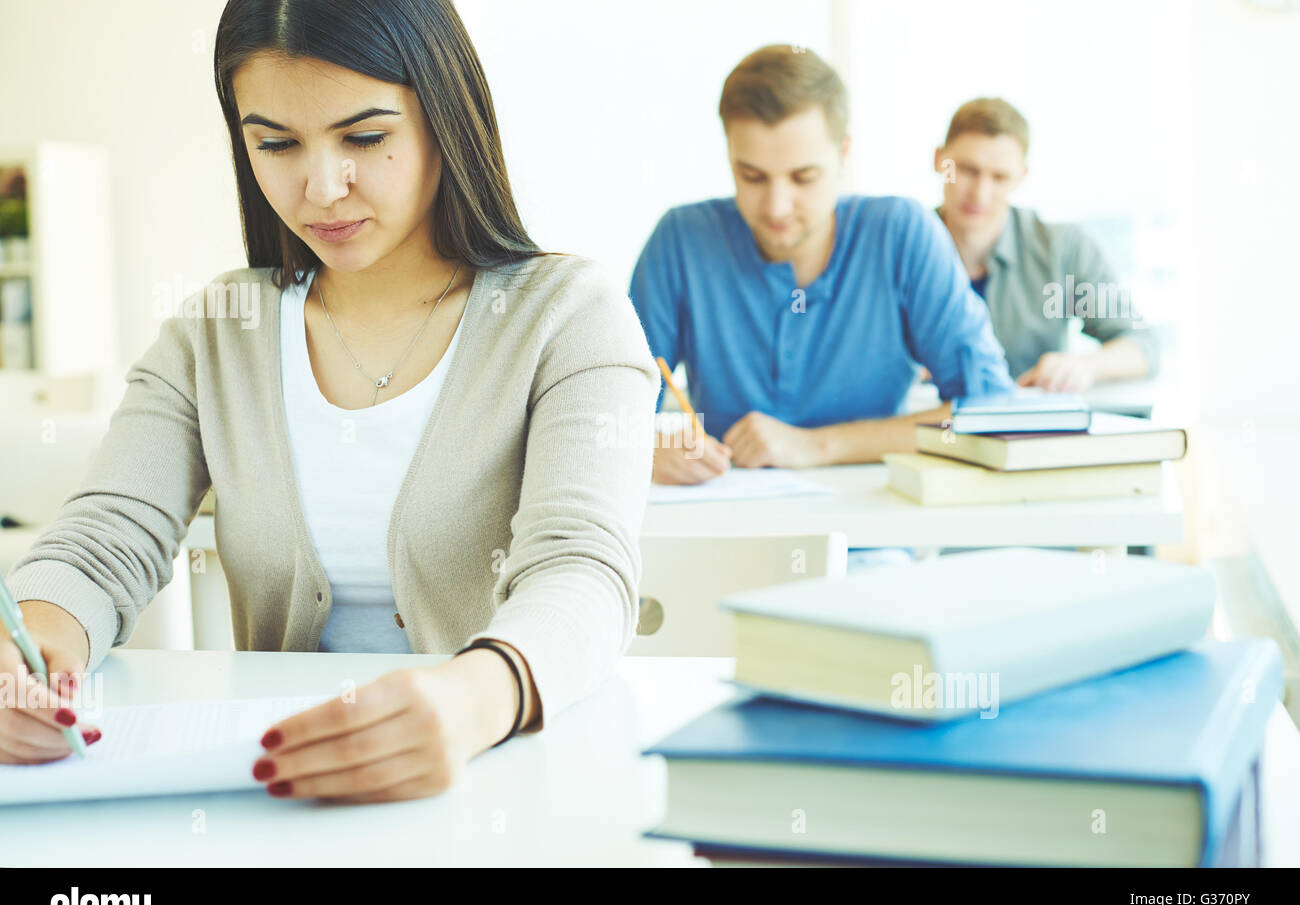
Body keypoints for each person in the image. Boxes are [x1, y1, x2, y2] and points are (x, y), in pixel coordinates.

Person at [0, 0, 658, 803]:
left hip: (500, 782)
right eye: (275, 144)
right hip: (282, 794)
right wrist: (29, 654)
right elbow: (101, 544)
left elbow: (582, 573)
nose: (321, 187)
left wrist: (471, 697)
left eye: (364, 138)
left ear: (445, 117)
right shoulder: (217, 330)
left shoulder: (571, 314)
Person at [630, 45, 1014, 490]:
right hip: (724, 532)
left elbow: (992, 411)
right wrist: (644, 447)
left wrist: (817, 445)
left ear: (844, 152)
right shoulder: (681, 240)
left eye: (803, 177)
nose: (776, 207)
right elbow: (603, 417)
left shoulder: (900, 234)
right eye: (752, 176)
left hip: (869, 539)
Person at [934, 97, 1159, 392]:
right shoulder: (897, 247)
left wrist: (1084, 366)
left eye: (999, 177)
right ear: (939, 160)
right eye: (967, 170)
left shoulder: (1063, 249)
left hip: (1032, 435)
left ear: (1021, 177)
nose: (980, 192)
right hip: (919, 430)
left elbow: (1143, 346)